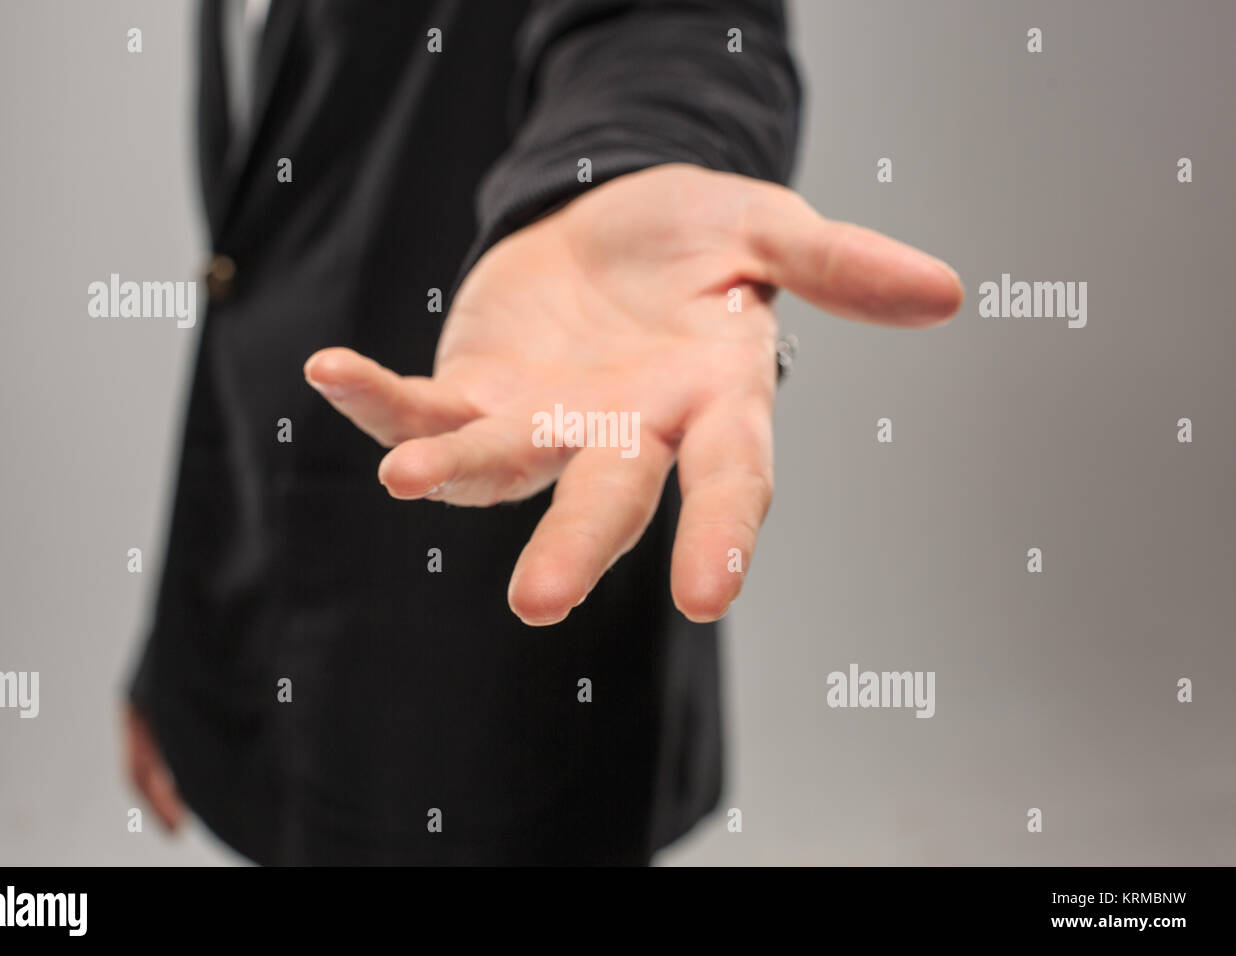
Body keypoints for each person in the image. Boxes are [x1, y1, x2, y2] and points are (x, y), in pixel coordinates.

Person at [125, 0, 962, 865]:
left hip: (482, 645)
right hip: (253, 593)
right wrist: (179, 640)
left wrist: (634, 157)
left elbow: (665, 21)